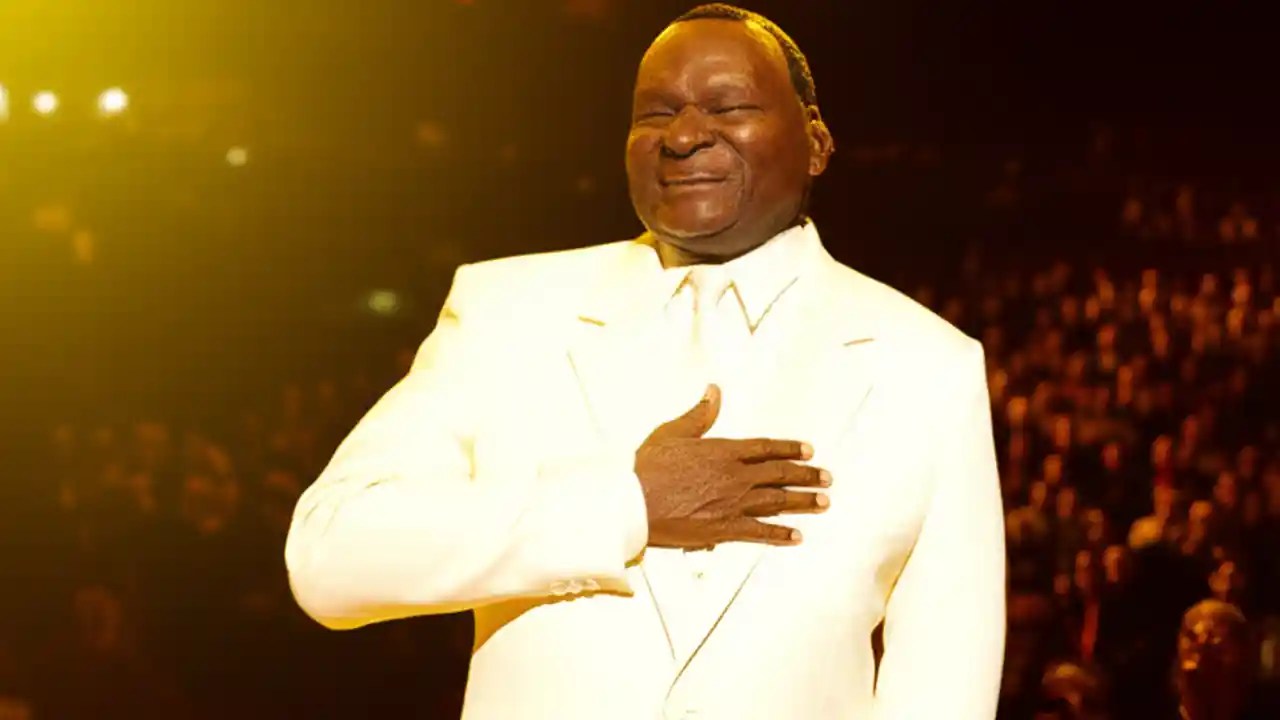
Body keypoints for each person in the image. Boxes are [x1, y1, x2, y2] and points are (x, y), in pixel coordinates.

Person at [285, 4, 1005, 719]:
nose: (685, 135)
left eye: (729, 105)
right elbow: (329, 558)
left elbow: (944, 691)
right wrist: (626, 506)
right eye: (655, 113)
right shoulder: (505, 311)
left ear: (816, 142)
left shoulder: (928, 366)